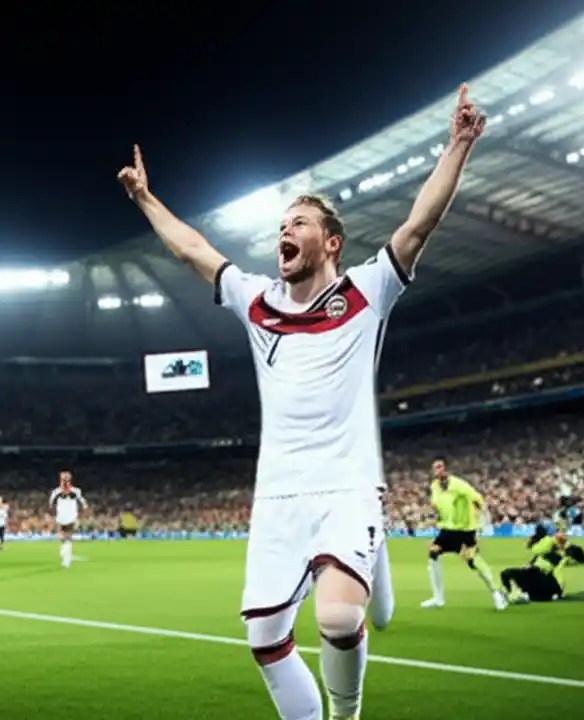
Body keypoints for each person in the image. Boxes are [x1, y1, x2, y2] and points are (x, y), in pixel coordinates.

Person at [117, 83, 487, 720]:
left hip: (345, 484)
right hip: (278, 495)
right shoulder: (257, 301)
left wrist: (457, 145)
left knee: (338, 619)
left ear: (331, 242)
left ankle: (346, 713)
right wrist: (146, 198)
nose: (284, 231)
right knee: (264, 639)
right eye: (281, 225)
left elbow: (418, 224)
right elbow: (193, 249)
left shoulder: (366, 291)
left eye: (299, 223)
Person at [421, 456, 508, 611]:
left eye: (440, 466)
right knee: (433, 553)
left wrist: (483, 523)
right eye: (435, 467)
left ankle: (497, 593)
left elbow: (478, 500)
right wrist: (433, 520)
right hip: (448, 530)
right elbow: (439, 507)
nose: (437, 470)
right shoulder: (435, 487)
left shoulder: (459, 485)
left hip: (464, 531)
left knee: (473, 562)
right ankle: (438, 598)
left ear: (447, 469)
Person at [501, 524, 584, 603]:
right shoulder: (552, 549)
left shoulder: (561, 552)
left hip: (543, 577)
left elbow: (537, 551)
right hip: (537, 575)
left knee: (509, 574)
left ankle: (521, 595)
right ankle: (518, 594)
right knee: (507, 573)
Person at [49, 470, 87, 568]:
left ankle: (65, 556)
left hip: (64, 517)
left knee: (64, 537)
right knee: (67, 537)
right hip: (67, 516)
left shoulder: (57, 491)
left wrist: (54, 515)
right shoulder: (74, 491)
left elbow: (51, 505)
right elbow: (83, 503)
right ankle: (66, 557)